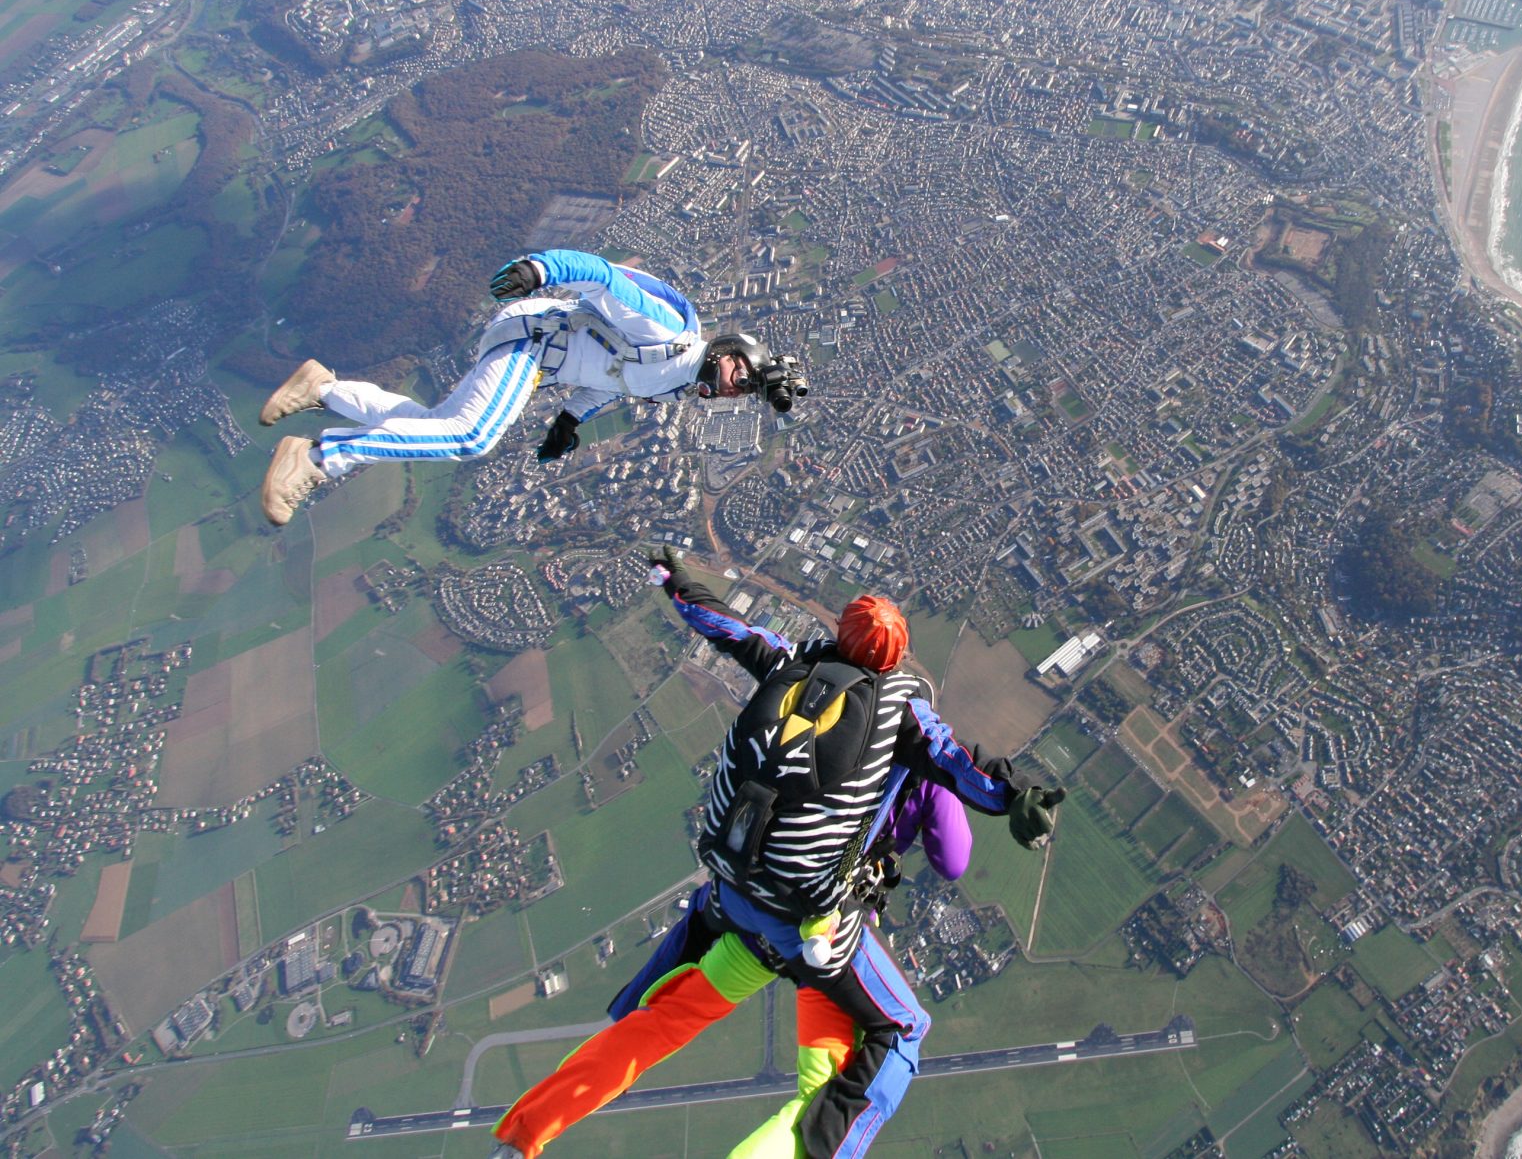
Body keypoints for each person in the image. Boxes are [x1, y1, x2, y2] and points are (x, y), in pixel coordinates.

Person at [486, 552, 1063, 1159]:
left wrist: (677, 582)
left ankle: (523, 1134)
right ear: (896, 664)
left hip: (737, 907)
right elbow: (957, 782)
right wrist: (1018, 795)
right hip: (815, 933)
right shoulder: (903, 716)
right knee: (895, 1036)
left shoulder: (793, 665)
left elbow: (728, 629)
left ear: (841, 635)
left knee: (657, 1024)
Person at [254, 250, 805, 525]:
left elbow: (612, 381)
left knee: (429, 425)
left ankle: (323, 389)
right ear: (727, 350)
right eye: (742, 377)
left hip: (538, 353)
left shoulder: (672, 383)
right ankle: (321, 457)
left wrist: (570, 421)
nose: (736, 390)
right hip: (536, 337)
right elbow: (606, 276)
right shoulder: (670, 330)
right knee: (471, 437)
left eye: (745, 392)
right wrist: (541, 268)